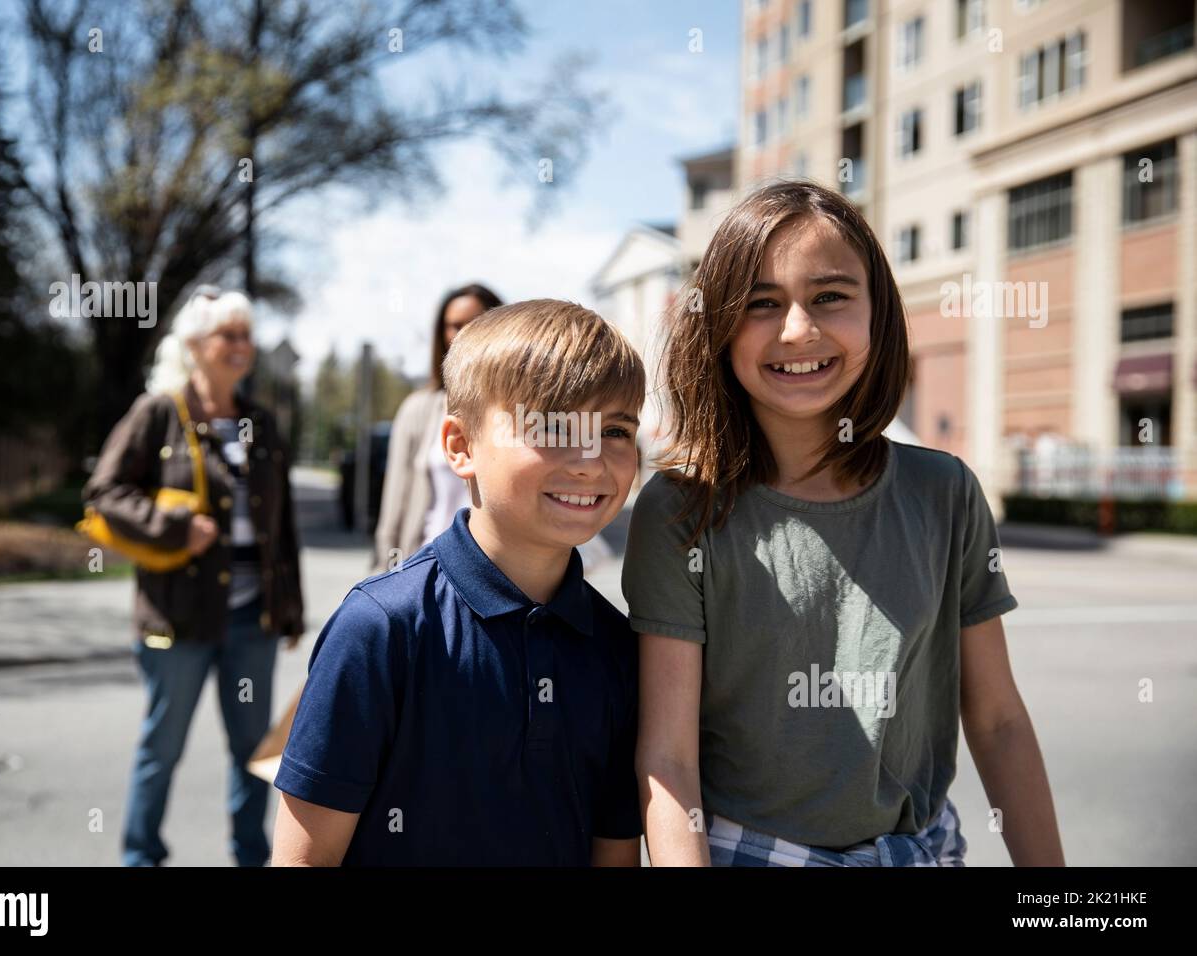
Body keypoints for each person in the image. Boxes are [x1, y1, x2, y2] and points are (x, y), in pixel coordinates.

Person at [625, 181, 1064, 867]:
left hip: (924, 850)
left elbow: (999, 719)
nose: (798, 329)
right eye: (761, 304)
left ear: (878, 314)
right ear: (718, 327)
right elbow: (668, 757)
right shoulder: (683, 508)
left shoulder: (945, 492)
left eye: (830, 296)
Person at [271, 300, 645, 865]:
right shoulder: (381, 627)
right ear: (460, 445)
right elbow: (305, 858)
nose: (590, 461)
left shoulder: (617, 646)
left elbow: (612, 853)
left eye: (615, 429)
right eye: (552, 426)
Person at [84, 287, 305, 866]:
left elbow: (282, 529)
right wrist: (174, 528)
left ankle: (253, 857)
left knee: (253, 753)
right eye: (226, 335)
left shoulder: (261, 424)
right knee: (162, 748)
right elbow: (103, 494)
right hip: (177, 618)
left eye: (245, 335)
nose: (239, 346)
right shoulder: (158, 412)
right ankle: (141, 856)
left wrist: (290, 609)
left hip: (250, 623)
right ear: (194, 345)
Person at [371, 283, 502, 573]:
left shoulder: (519, 411)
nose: (462, 334)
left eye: (475, 323)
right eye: (454, 326)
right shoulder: (417, 409)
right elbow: (395, 501)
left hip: (498, 573)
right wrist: (387, 571)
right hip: (427, 570)